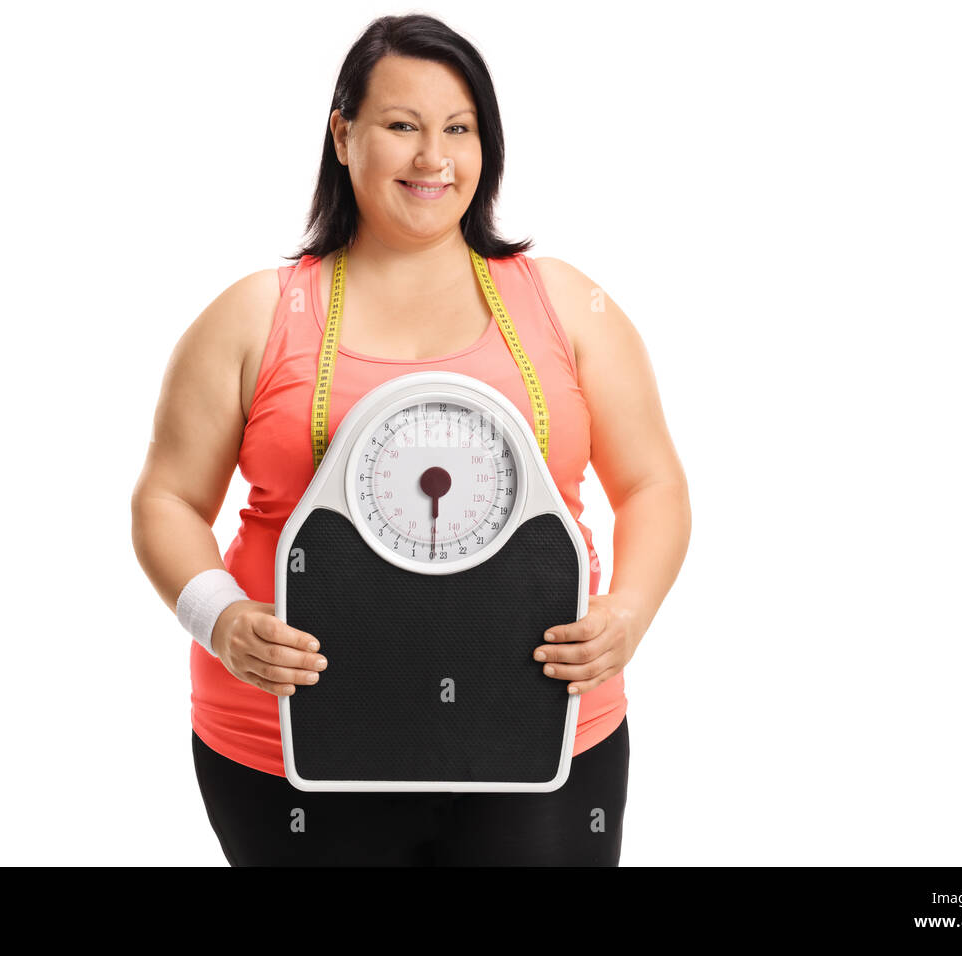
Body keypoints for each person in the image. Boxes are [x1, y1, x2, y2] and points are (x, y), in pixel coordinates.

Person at [131, 13, 690, 866]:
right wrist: (222, 619)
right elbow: (166, 498)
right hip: (285, 746)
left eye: (458, 129)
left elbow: (652, 484)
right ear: (343, 133)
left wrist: (628, 613)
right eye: (402, 126)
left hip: (544, 735)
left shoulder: (568, 307)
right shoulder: (253, 316)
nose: (434, 159)